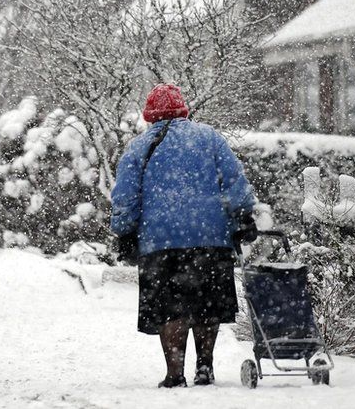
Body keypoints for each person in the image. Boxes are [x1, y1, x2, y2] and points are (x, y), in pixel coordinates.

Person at [110, 83, 257, 388]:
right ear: (183, 109)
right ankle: (204, 367)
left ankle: (175, 373)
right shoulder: (209, 138)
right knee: (207, 305)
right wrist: (243, 216)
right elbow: (234, 181)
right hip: (210, 237)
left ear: (150, 114)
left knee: (170, 307)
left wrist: (125, 231)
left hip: (161, 242)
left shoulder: (139, 147)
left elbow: (125, 196)